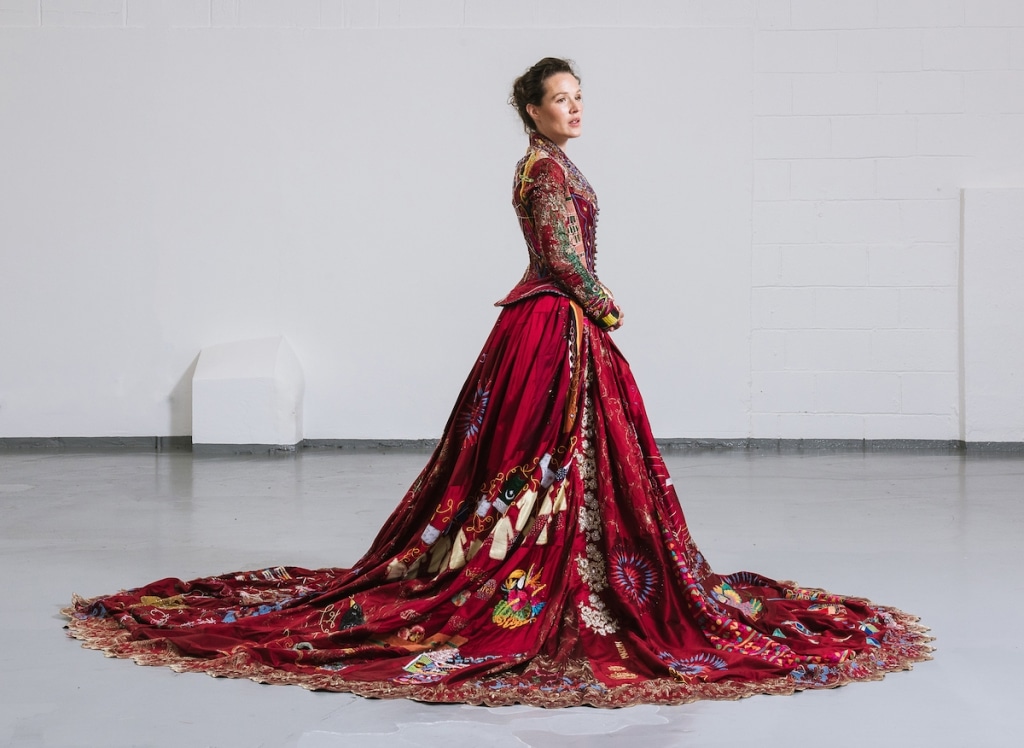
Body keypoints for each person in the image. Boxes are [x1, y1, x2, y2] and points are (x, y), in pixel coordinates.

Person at [64, 57, 931, 707]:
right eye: (563, 98)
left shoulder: (544, 164)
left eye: (581, 97)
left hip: (547, 323)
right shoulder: (545, 171)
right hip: (554, 324)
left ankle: (573, 558)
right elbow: (560, 257)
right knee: (542, 456)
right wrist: (606, 309)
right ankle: (546, 572)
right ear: (530, 108)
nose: (577, 108)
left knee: (544, 459)